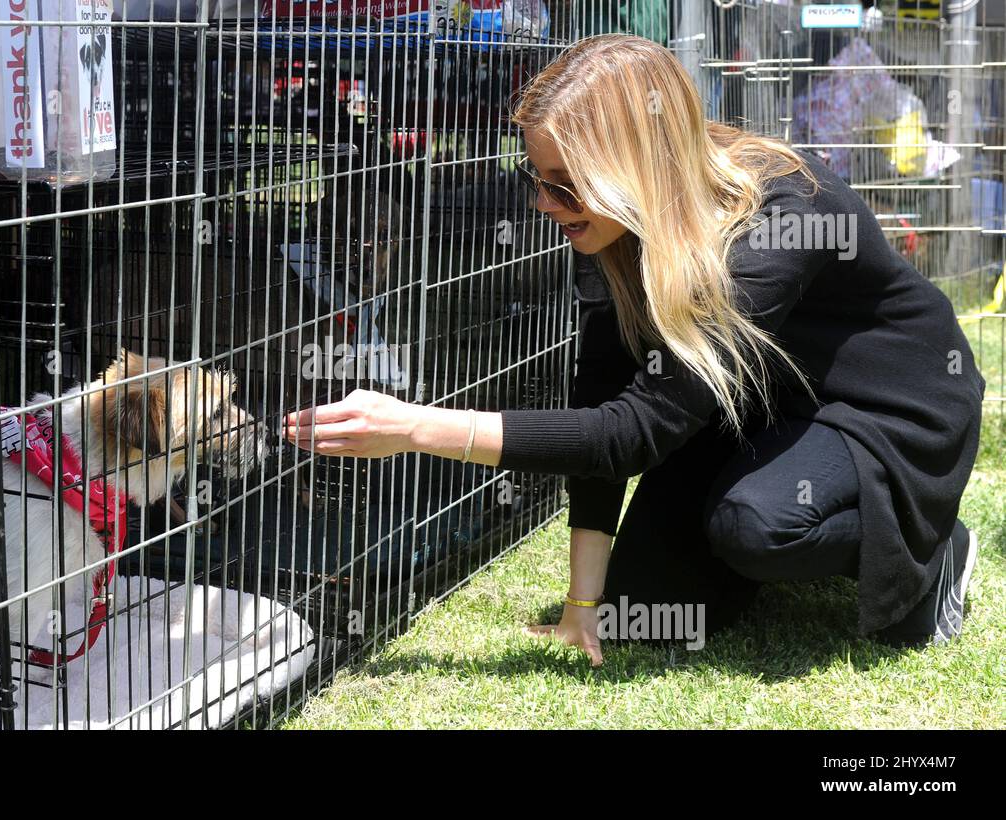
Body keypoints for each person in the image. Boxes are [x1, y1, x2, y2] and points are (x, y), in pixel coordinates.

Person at [282, 35, 984, 666]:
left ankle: (932, 549)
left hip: (880, 404)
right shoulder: (611, 226)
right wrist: (583, 606)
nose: (545, 204)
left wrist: (414, 428)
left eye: (565, 185)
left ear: (634, 167)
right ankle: (765, 512)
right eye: (539, 180)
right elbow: (603, 394)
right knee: (646, 611)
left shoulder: (780, 214)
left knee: (756, 528)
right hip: (757, 398)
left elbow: (633, 435)